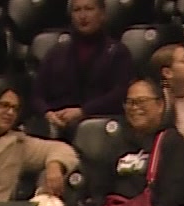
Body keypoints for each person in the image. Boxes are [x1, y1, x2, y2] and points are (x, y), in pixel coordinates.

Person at [83, 77, 184, 206]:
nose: (135, 108)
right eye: (130, 103)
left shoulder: (173, 142)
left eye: (141, 101)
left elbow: (177, 188)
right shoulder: (116, 142)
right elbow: (100, 185)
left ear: (160, 105)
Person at [33, 0, 135, 133]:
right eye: (77, 10)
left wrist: (84, 111)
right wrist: (48, 113)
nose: (82, 15)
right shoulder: (56, 53)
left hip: (99, 126)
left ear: (102, 14)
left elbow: (120, 93)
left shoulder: (117, 52)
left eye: (89, 9)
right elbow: (37, 95)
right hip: (57, 123)